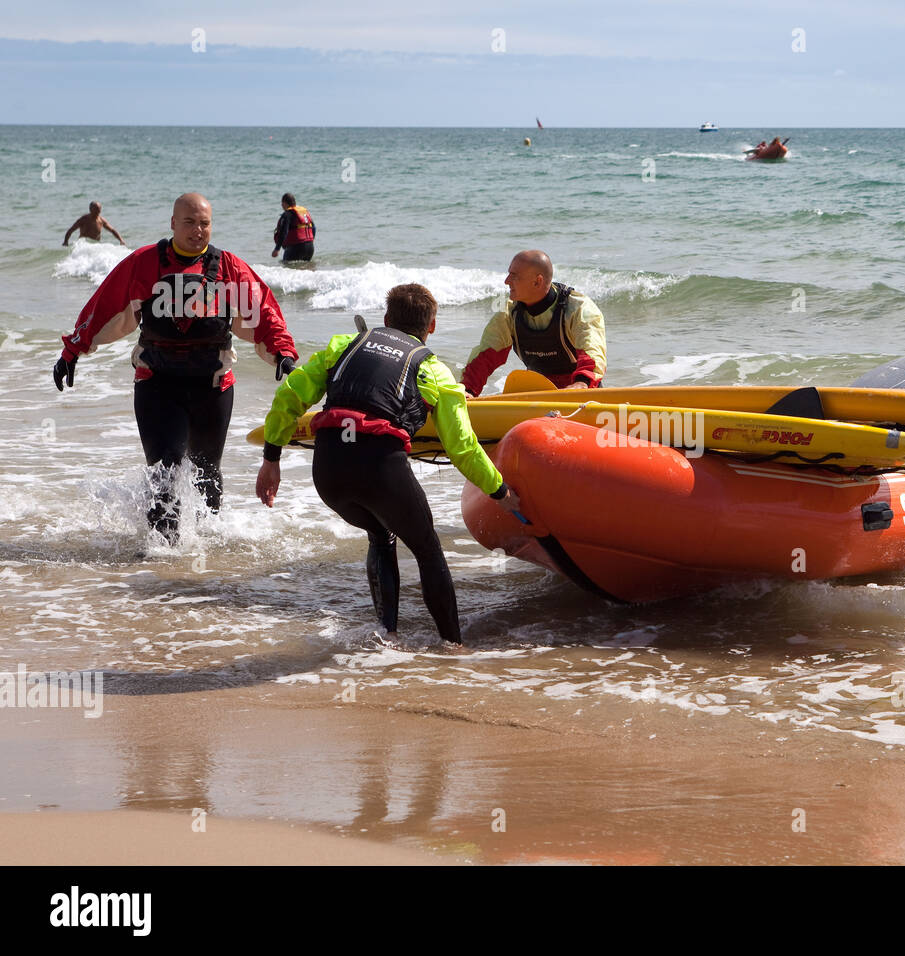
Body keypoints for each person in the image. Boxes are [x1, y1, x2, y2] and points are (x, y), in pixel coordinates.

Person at [256, 284, 520, 645]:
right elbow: (462, 447)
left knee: (381, 534)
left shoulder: (342, 346)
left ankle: (387, 633)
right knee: (427, 549)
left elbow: (290, 395)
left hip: (329, 472)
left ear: (385, 319)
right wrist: (499, 490)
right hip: (379, 470)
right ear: (432, 327)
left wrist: (272, 459)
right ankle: (453, 647)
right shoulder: (434, 371)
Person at [54, 192, 298, 543]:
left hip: (213, 386)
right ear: (172, 223)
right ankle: (161, 560)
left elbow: (264, 312)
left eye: (204, 223)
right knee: (165, 471)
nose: (197, 230)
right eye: (189, 222)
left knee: (207, 473)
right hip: (157, 385)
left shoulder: (228, 267)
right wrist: (72, 351)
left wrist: (283, 353)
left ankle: (206, 557)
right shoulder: (143, 263)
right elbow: (103, 306)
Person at [460, 250, 606, 396]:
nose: (506, 281)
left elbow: (593, 353)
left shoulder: (578, 308)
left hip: (581, 393)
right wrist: (468, 389)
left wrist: (581, 383)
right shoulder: (509, 313)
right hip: (538, 393)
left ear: (537, 281)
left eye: (514, 276)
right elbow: (485, 356)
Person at [272, 192, 315, 262]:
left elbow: (284, 232)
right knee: (306, 269)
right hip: (310, 248)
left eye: (282, 203)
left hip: (296, 248)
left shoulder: (287, 214)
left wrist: (277, 249)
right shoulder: (304, 212)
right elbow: (313, 228)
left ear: (285, 203)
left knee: (286, 267)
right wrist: (311, 242)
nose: (281, 205)